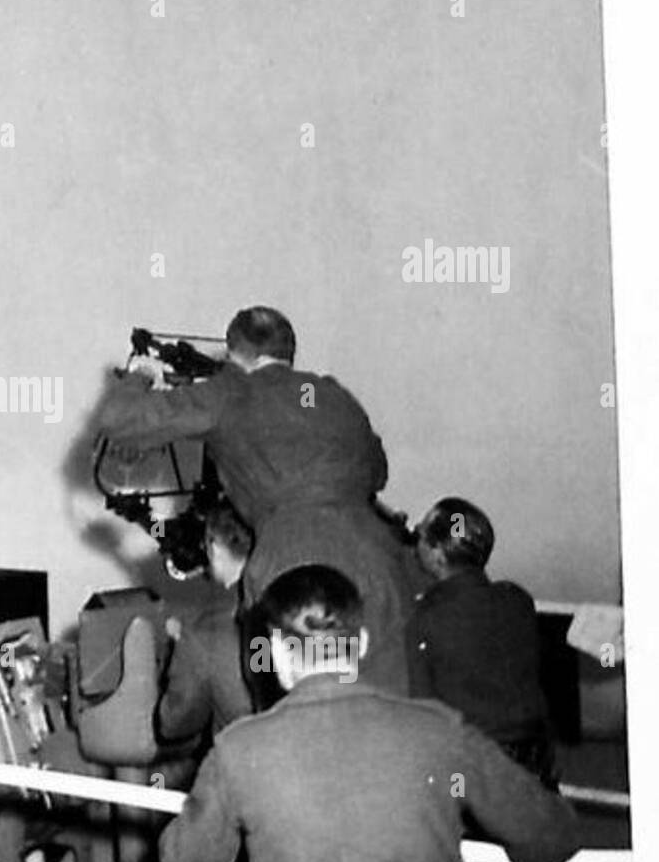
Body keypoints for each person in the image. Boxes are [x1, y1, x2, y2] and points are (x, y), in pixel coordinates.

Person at [159, 565, 580, 862]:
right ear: (359, 644)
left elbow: (188, 860)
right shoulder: (440, 731)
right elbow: (552, 840)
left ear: (276, 650)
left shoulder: (239, 748)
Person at [95, 306, 417, 694]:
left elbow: (119, 420)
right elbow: (378, 470)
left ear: (233, 356)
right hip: (379, 557)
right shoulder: (326, 393)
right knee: (388, 697)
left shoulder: (231, 392)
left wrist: (140, 376)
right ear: (290, 352)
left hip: (293, 559)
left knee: (282, 695)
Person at [408, 497, 556, 785]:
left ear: (437, 554)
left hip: (473, 767)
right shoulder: (517, 599)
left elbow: (422, 708)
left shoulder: (426, 619)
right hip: (535, 759)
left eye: (421, 537)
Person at [157, 502, 256, 747]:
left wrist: (180, 656)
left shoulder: (203, 634)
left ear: (213, 547)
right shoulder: (303, 601)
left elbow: (174, 724)